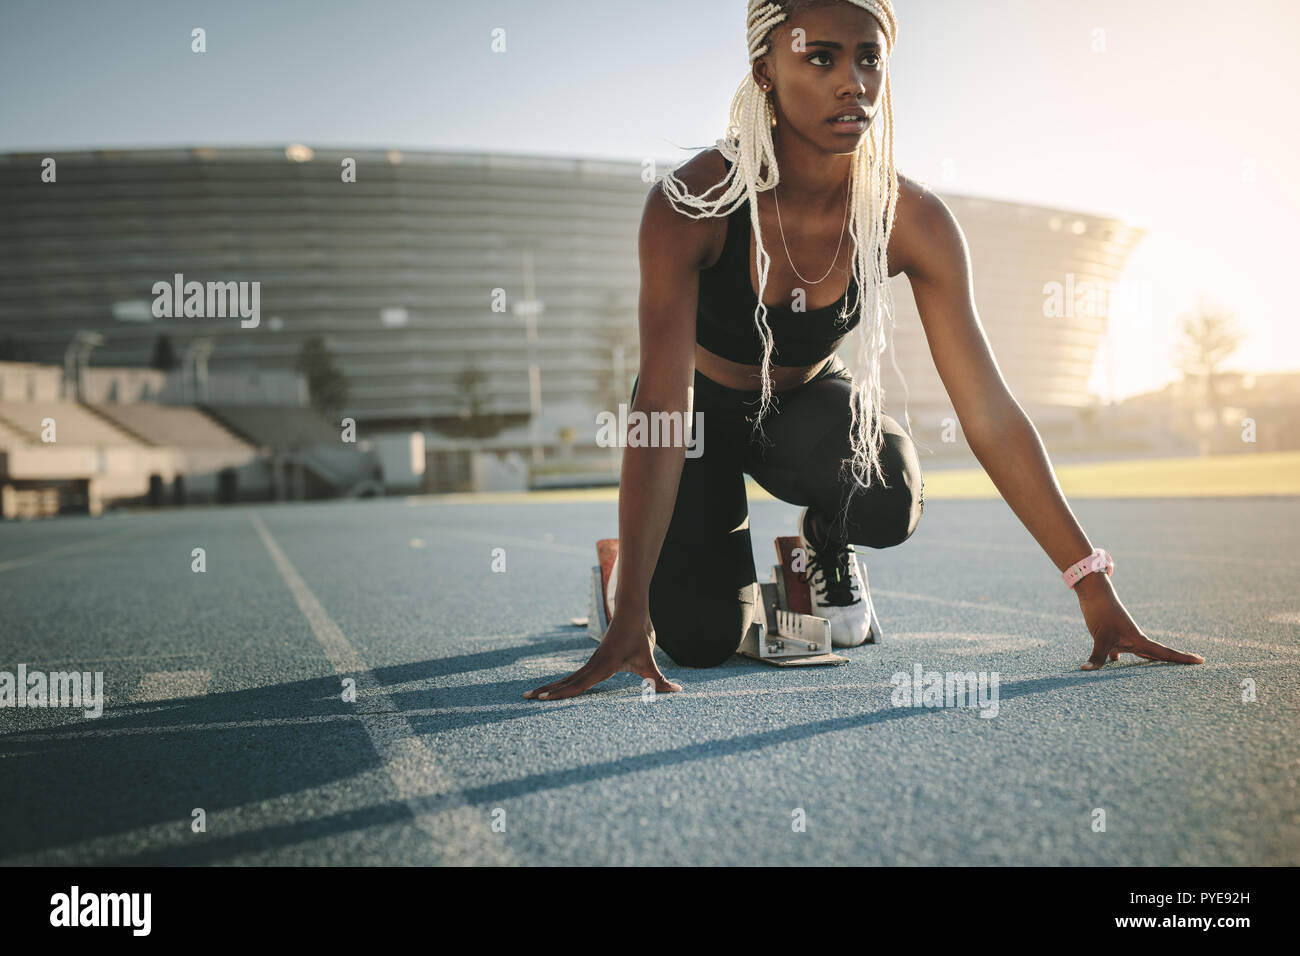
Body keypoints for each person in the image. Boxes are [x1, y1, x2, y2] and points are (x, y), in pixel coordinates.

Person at [525, 0, 1203, 701]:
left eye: (869, 58)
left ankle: (819, 545)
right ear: (766, 71)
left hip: (802, 403)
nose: (854, 81)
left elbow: (990, 412)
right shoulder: (690, 204)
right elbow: (663, 407)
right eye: (821, 57)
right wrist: (634, 606)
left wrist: (1089, 581)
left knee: (887, 491)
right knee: (698, 640)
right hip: (697, 413)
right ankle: (624, 577)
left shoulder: (913, 219)